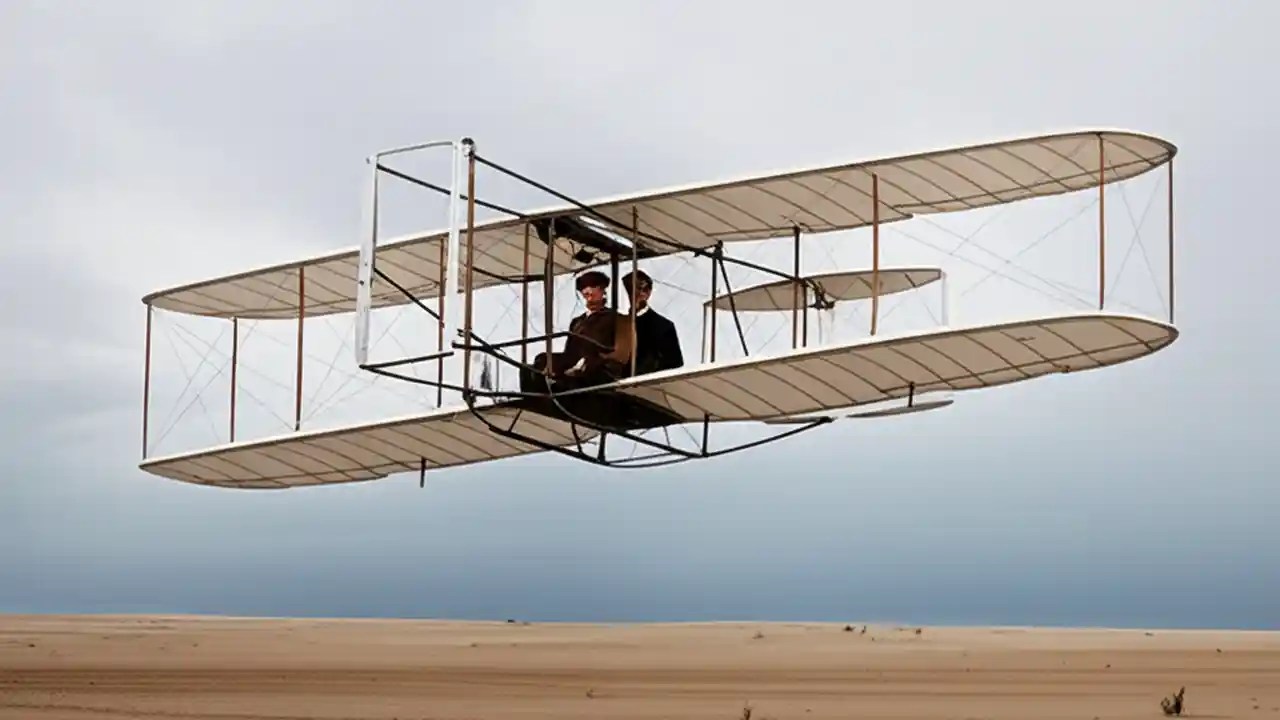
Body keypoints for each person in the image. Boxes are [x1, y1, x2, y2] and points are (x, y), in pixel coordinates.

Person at [520, 270, 626, 392]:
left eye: (593, 287)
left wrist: (587, 363)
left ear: (602, 290)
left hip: (597, 365)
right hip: (573, 361)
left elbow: (618, 352)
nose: (588, 292)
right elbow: (569, 352)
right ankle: (536, 397)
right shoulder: (577, 321)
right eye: (584, 289)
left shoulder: (614, 318)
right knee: (536, 364)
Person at [620, 269, 683, 376]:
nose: (637, 295)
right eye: (630, 291)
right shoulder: (619, 325)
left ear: (648, 293)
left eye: (642, 290)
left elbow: (675, 364)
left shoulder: (663, 326)